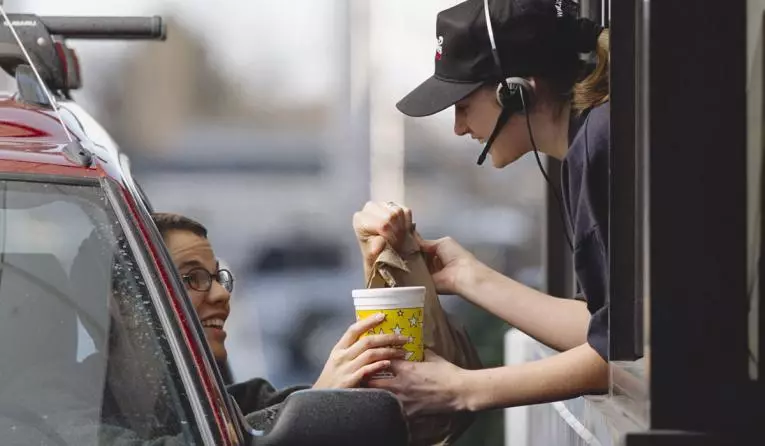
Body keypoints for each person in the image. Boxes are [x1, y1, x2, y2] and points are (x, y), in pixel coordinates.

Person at [353, 0, 611, 416]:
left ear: (517, 91)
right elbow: (606, 331)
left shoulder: (600, 143)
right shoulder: (587, 146)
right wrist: (468, 277)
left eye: (463, 104)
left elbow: (635, 350)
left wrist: (464, 389)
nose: (458, 127)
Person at [151, 212, 408, 429]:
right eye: (192, 278)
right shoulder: (116, 422)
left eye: (219, 277)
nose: (221, 293)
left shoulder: (217, 400)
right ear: (125, 299)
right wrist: (316, 403)